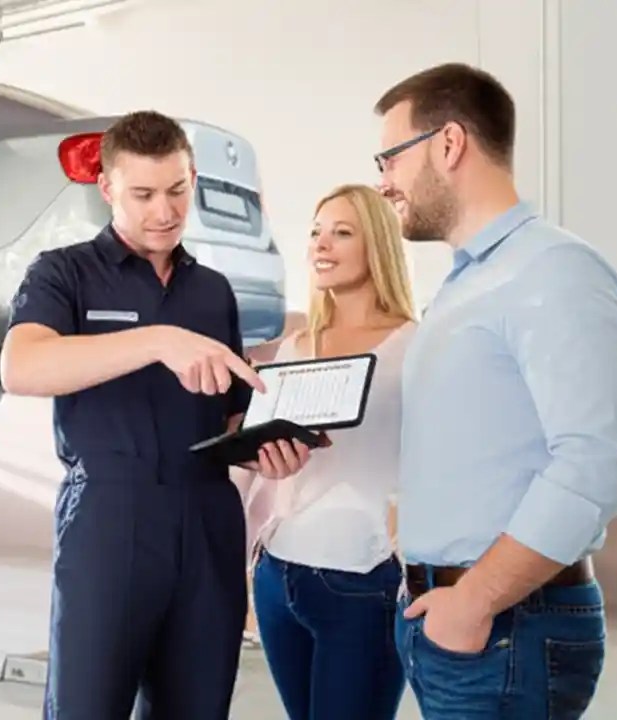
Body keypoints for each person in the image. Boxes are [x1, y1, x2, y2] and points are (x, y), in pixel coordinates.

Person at [0, 110, 306, 719]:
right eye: (142, 194)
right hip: (110, 515)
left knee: (196, 707)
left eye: (177, 190)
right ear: (107, 188)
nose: (163, 211)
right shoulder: (64, 274)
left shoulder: (213, 291)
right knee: (88, 706)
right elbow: (21, 367)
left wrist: (265, 451)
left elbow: (227, 421)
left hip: (207, 515)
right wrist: (158, 340)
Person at [372, 62, 617, 718]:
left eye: (389, 158)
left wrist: (475, 600)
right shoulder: (466, 285)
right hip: (457, 619)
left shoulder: (552, 267)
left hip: (507, 625)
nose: (383, 183)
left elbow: (595, 461)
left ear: (449, 143)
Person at [241, 183, 417, 720]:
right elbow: (260, 465)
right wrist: (258, 456)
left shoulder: (415, 344)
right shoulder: (296, 346)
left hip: (361, 577)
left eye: (342, 232)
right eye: (316, 231)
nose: (322, 244)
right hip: (278, 576)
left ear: (379, 246)